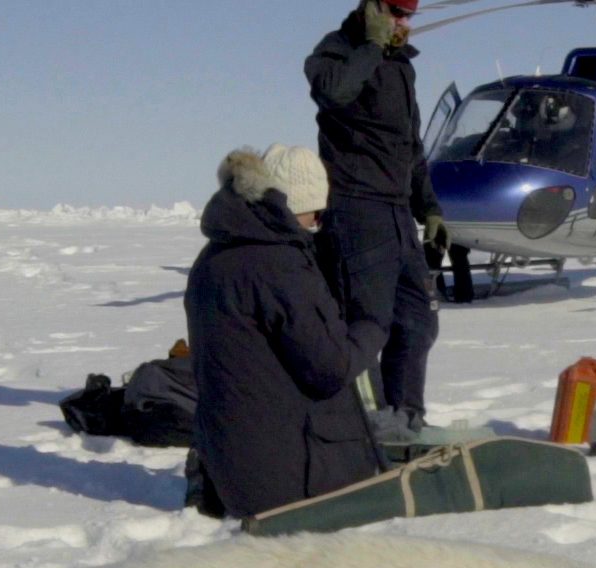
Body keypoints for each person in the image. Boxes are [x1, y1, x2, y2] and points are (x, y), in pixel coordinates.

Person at [184, 145, 388, 519]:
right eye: (316, 214)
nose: (317, 225)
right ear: (297, 207)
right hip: (286, 484)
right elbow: (329, 368)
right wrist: (372, 330)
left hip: (230, 468)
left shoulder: (214, 256)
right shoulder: (279, 265)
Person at [305, 0, 449, 432]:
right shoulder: (334, 52)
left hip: (397, 212)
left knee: (418, 322)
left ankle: (404, 421)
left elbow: (411, 148)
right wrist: (369, 45)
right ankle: (360, 428)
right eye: (395, 12)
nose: (402, 23)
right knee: (366, 328)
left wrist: (430, 208)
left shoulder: (402, 66)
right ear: (371, 7)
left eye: (408, 16)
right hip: (356, 209)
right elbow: (334, 91)